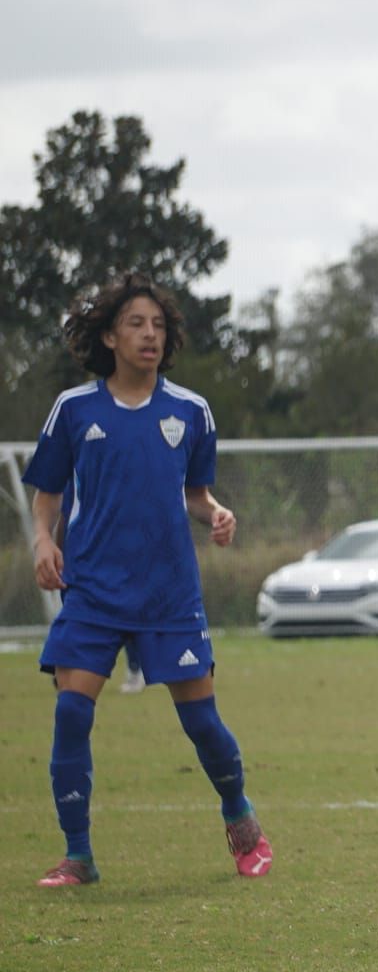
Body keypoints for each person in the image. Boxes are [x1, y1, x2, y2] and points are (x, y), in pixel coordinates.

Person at [25, 272, 271, 887]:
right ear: (109, 335)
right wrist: (44, 539)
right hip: (93, 590)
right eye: (136, 324)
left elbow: (195, 492)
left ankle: (241, 819)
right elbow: (46, 491)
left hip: (168, 593)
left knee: (201, 723)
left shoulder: (190, 411)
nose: (149, 335)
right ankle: (78, 856)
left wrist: (215, 512)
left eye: (158, 325)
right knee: (72, 714)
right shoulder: (74, 408)